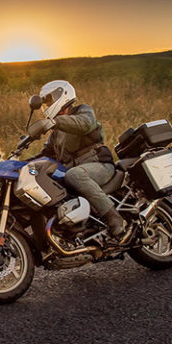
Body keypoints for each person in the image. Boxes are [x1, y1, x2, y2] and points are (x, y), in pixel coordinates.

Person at [27, 80, 126, 239]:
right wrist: (24, 164)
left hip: (99, 165)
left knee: (74, 175)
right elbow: (46, 155)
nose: (47, 106)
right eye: (46, 103)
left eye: (50, 100)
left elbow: (85, 124)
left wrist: (55, 122)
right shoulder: (56, 133)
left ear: (63, 95)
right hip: (76, 171)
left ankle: (114, 217)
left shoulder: (82, 111)